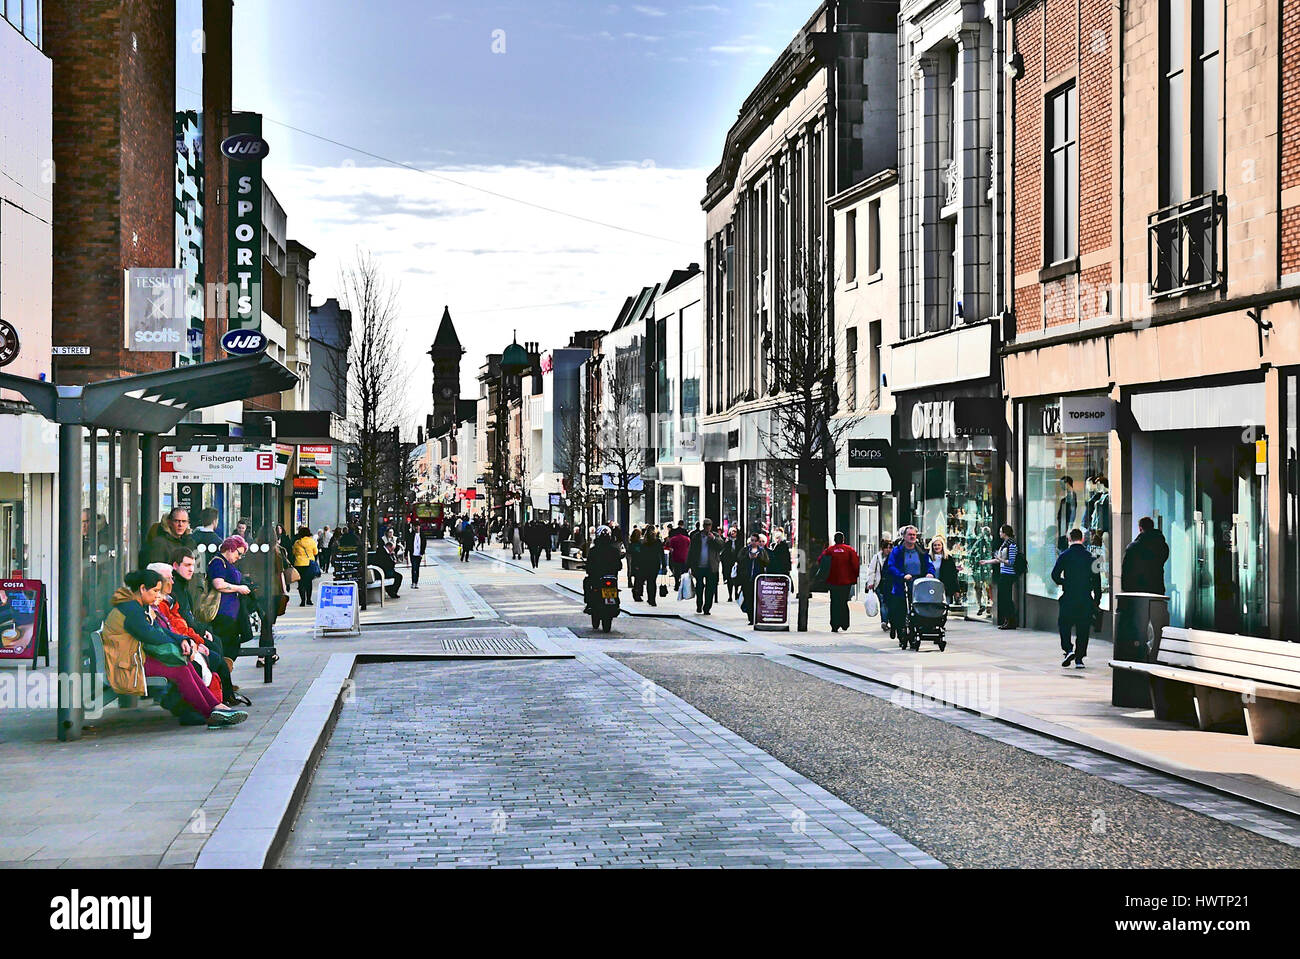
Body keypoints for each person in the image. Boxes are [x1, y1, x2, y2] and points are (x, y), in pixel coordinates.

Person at [102, 569, 247, 728]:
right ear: (142, 589)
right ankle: (211, 712)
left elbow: (161, 630)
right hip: (127, 666)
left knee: (185, 665)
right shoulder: (130, 610)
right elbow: (151, 635)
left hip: (135, 659)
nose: (158, 595)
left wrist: (183, 639)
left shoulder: (137, 606)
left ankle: (216, 708)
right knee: (180, 669)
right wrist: (180, 642)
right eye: (155, 590)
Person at [169, 547, 248, 708]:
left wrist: (202, 630)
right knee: (215, 652)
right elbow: (180, 621)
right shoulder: (175, 589)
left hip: (188, 634)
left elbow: (187, 618)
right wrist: (197, 635)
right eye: (187, 565)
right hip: (183, 639)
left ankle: (223, 692)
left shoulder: (183, 587)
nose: (191, 569)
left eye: (192, 565)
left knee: (216, 643)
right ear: (175, 566)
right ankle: (222, 694)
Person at [1052, 528, 1103, 668]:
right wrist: (1097, 599)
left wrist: (1064, 582)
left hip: (1069, 596)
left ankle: (1068, 649)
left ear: (1069, 539)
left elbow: (1054, 575)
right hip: (1085, 597)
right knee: (1083, 628)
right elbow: (1097, 580)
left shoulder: (1064, 555)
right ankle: (1079, 658)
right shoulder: (1092, 557)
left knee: (1064, 624)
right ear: (1082, 539)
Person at [206, 536, 254, 658]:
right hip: (223, 613)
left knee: (231, 646)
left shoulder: (225, 563)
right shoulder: (218, 562)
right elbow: (218, 584)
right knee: (227, 648)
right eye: (239, 553)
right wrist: (239, 588)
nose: (239, 557)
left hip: (230, 613)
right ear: (231, 548)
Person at [886, 526, 937, 640]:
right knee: (900, 609)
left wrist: (930, 573)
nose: (912, 537)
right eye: (910, 535)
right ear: (904, 536)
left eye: (914, 535)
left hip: (919, 585)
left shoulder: (921, 551)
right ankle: (900, 630)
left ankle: (918, 628)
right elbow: (891, 566)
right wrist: (902, 575)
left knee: (918, 608)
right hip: (902, 584)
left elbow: (929, 564)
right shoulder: (897, 551)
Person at [818, 532, 861, 633]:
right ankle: (845, 623)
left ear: (834, 539)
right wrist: (855, 576)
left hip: (833, 581)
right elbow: (855, 564)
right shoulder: (849, 550)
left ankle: (834, 624)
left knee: (834, 602)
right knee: (843, 601)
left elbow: (821, 560)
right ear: (843, 539)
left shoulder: (829, 550)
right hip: (846, 581)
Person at [982, 524, 1022, 629]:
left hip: (1009, 574)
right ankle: (1007, 620)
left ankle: (1011, 620)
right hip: (1003, 573)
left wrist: (1001, 560)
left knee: (1006, 598)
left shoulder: (1012, 545)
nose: (999, 533)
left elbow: (1011, 562)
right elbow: (998, 559)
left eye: (1001, 532)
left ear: (1005, 533)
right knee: (1003, 598)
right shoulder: (1004, 544)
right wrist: (986, 562)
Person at [1121, 516, 1170, 594]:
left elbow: (1126, 569)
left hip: (1138, 589)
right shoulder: (1162, 545)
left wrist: (1125, 588)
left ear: (1140, 529)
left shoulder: (1133, 547)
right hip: (1157, 586)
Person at [687, 519, 724, 615]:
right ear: (703, 526)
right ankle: (699, 605)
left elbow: (721, 545)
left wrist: (713, 539)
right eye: (706, 525)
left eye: (709, 525)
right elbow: (691, 551)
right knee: (699, 587)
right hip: (699, 566)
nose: (707, 527)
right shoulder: (696, 536)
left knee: (710, 588)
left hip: (711, 566)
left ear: (711, 526)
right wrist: (689, 565)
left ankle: (707, 608)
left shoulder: (715, 536)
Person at [583, 526, 623, 613]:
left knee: (587, 582)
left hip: (597, 577)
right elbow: (619, 566)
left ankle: (589, 603)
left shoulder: (594, 550)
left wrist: (588, 568)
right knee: (614, 588)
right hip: (612, 576)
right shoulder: (614, 551)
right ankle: (616, 604)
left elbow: (590, 564)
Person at [737, 533, 770, 625]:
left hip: (758, 578)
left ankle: (757, 617)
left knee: (757, 598)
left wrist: (758, 557)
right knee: (748, 598)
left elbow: (766, 562)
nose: (753, 542)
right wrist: (748, 557)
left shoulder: (762, 551)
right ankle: (751, 618)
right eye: (752, 540)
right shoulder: (745, 550)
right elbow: (739, 559)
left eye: (755, 541)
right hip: (747, 578)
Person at [866, 537, 894, 631]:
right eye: (887, 548)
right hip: (880, 583)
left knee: (891, 603)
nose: (888, 550)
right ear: (883, 548)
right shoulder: (877, 557)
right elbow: (871, 570)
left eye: (890, 548)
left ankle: (890, 620)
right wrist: (870, 582)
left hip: (891, 583)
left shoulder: (894, 558)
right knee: (883, 602)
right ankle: (884, 621)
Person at [291, 526, 319, 606]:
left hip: (299, 564)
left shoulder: (297, 542)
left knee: (301, 583)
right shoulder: (312, 541)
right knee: (309, 582)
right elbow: (315, 552)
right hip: (309, 564)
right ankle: (309, 600)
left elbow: (294, 553)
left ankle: (302, 601)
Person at [930, 534, 960, 600]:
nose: (937, 547)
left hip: (945, 588)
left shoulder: (948, 559)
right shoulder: (928, 558)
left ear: (942, 546)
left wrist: (956, 590)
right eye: (935, 545)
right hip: (931, 587)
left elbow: (953, 575)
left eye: (939, 545)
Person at [638, 527, 663, 606]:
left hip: (645, 564)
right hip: (655, 563)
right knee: (652, 581)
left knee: (648, 582)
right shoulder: (657, 541)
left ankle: (650, 598)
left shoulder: (643, 542)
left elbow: (640, 554)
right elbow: (661, 553)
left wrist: (638, 565)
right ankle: (652, 599)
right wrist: (664, 564)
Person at [720, 528, 741, 602]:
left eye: (734, 531)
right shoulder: (727, 541)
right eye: (731, 531)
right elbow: (723, 552)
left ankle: (736, 593)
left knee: (736, 579)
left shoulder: (739, 541)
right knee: (729, 579)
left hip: (737, 562)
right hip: (728, 563)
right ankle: (730, 595)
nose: (733, 533)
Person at [667, 523, 690, 589]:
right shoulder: (687, 539)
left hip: (676, 556)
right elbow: (689, 547)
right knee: (684, 571)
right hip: (684, 556)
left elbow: (671, 548)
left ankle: (677, 584)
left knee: (676, 570)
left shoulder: (673, 539)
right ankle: (684, 584)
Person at [406, 523, 426, 588]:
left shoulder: (422, 535)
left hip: (419, 554)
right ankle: (413, 582)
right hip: (413, 554)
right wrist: (406, 553)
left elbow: (424, 544)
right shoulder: (411, 535)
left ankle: (416, 582)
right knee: (414, 567)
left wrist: (422, 553)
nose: (417, 528)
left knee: (417, 568)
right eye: (415, 527)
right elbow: (408, 544)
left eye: (418, 527)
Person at [627, 528, 645, 601]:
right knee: (639, 579)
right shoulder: (639, 544)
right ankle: (637, 592)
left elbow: (630, 553)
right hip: (638, 563)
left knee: (638, 579)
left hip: (634, 563)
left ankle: (637, 592)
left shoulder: (632, 544)